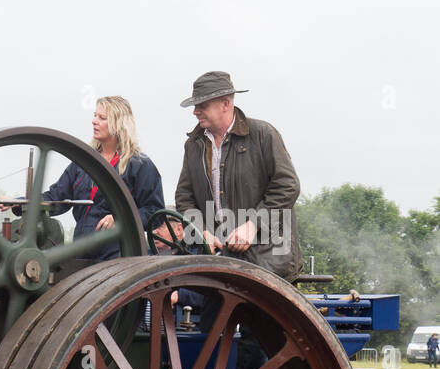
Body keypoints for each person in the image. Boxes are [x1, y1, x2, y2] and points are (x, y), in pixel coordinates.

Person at [173, 71, 302, 280]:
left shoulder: (263, 134)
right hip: (220, 263)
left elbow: (288, 186)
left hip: (267, 263)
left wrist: (253, 224)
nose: (195, 112)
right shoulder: (193, 146)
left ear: (225, 104)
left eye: (202, 105)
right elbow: (184, 197)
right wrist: (202, 232)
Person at [37, 95, 164, 274]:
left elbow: (154, 213)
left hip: (119, 252)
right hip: (81, 249)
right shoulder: (83, 162)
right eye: (95, 115)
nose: (94, 121)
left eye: (102, 118)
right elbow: (56, 198)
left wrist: (121, 217)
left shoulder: (140, 165)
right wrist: (22, 204)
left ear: (119, 124)